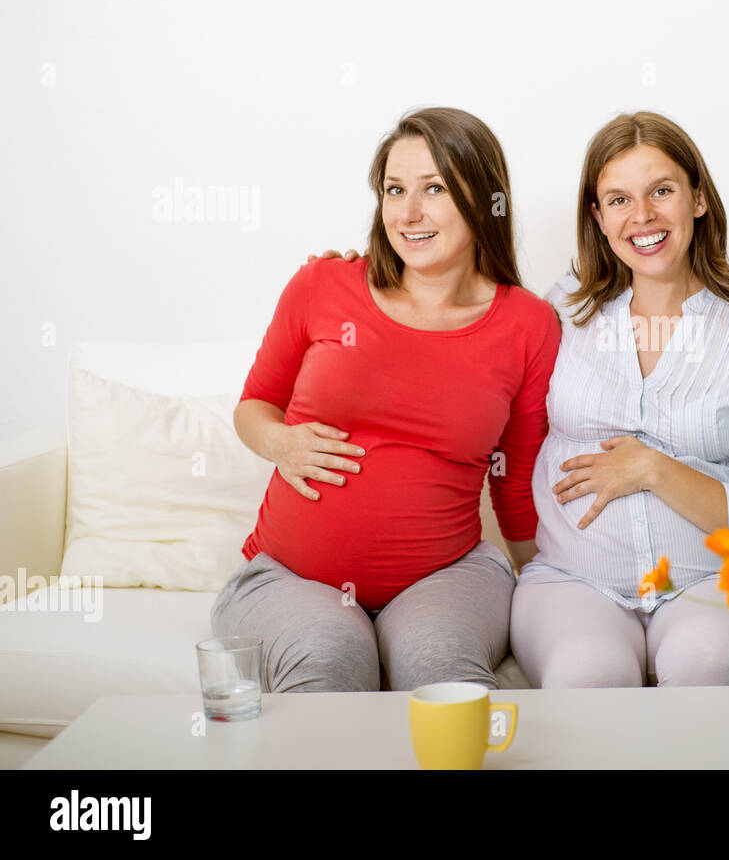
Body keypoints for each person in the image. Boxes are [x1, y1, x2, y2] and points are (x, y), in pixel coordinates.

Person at [211, 107, 560, 692]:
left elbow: (517, 479)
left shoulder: (528, 324)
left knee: (440, 670)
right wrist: (280, 443)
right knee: (328, 659)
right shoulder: (322, 285)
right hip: (290, 579)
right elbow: (254, 406)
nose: (408, 213)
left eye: (435, 189)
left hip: (445, 578)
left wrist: (547, 583)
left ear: (484, 197)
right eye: (395, 190)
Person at [509, 111, 729, 688]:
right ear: (598, 218)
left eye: (661, 191)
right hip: (576, 580)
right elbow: (461, 314)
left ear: (698, 198)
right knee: (586, 674)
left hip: (712, 578)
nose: (642, 216)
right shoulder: (561, 312)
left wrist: (652, 470)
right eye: (618, 200)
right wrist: (358, 274)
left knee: (709, 662)